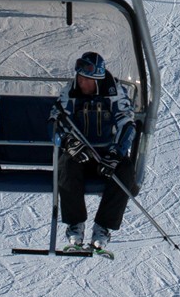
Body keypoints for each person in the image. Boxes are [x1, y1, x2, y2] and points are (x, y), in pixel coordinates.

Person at [55, 52, 139, 254]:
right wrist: (69, 142)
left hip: (106, 153)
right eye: (80, 77)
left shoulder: (114, 92)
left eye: (86, 79)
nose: (81, 82)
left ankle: (103, 227)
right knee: (66, 163)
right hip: (81, 153)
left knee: (125, 169)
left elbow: (127, 123)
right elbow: (57, 119)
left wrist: (115, 153)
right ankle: (75, 224)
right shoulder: (71, 91)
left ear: (97, 79)